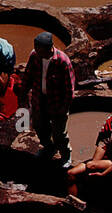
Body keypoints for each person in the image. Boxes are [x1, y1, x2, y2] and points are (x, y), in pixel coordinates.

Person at [25, 31, 75, 166]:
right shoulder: (34, 56)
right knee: (40, 127)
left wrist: (64, 108)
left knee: (59, 133)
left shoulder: (63, 61)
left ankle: (66, 155)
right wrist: (23, 95)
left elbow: (69, 89)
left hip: (57, 102)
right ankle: (49, 148)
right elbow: (28, 76)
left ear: (50, 48)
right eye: (36, 50)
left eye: (41, 51)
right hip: (39, 99)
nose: (38, 53)